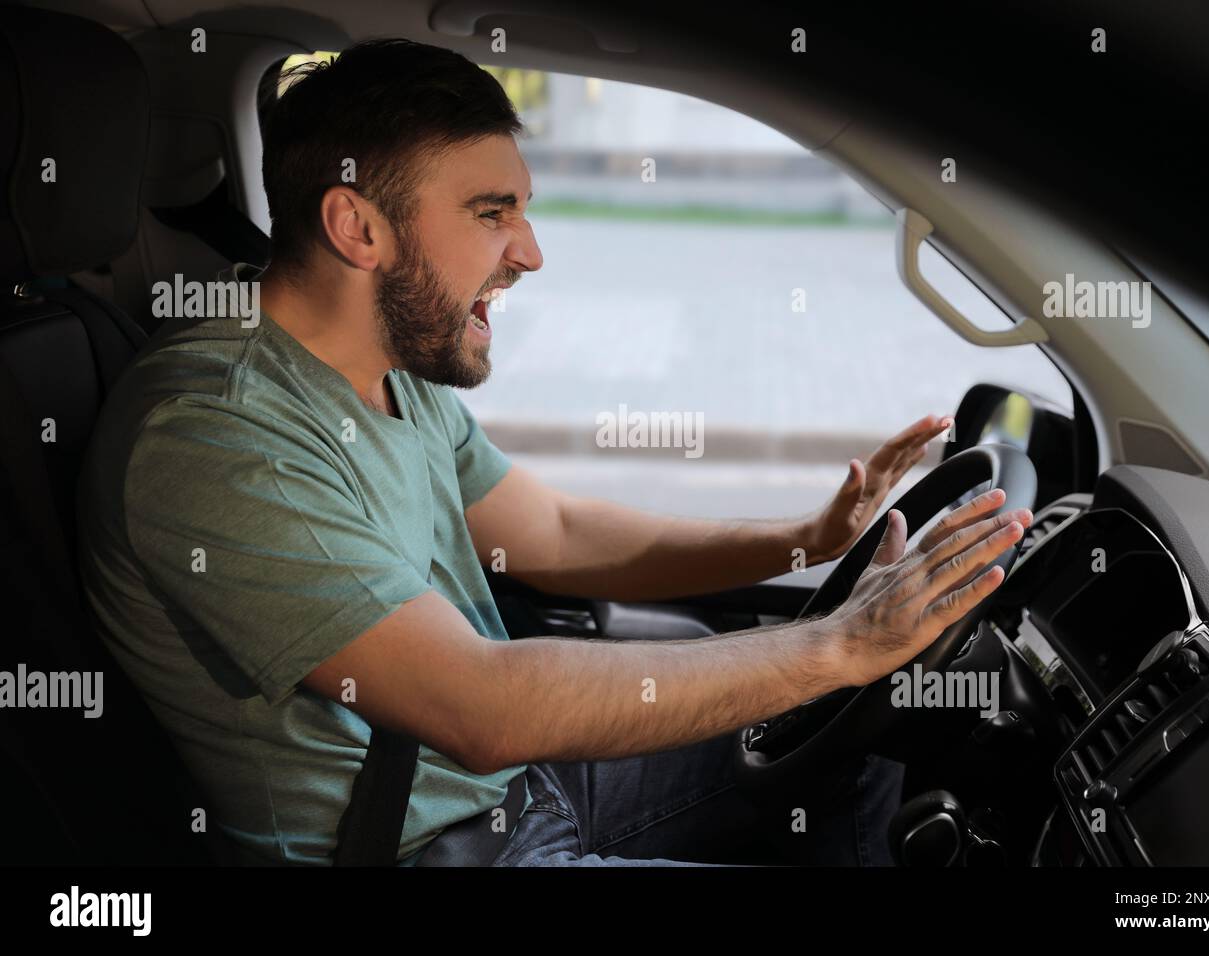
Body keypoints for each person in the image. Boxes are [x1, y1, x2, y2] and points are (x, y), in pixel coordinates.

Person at [76, 38, 1029, 866]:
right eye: (492, 213)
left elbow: (558, 530)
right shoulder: (215, 438)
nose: (530, 252)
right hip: (421, 848)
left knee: (860, 742)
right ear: (357, 227)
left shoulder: (387, 368)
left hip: (514, 791)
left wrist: (807, 540)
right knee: (841, 690)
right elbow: (481, 708)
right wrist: (838, 645)